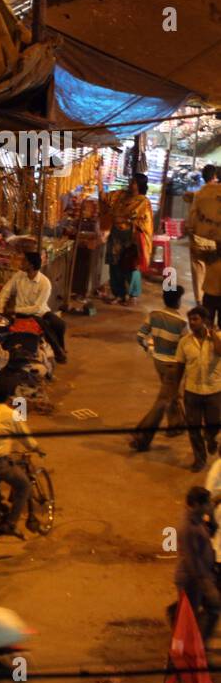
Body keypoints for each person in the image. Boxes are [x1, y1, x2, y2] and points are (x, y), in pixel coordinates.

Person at [0, 379, 42, 539]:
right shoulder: (11, 414)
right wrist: (37, 448)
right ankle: (10, 524)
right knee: (24, 486)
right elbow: (26, 439)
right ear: (8, 396)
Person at [131, 285, 188, 451]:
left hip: (158, 361)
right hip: (173, 365)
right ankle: (142, 435)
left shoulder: (153, 315)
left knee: (171, 393)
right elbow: (184, 349)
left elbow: (140, 337)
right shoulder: (181, 323)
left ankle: (176, 424)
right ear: (178, 301)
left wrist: (149, 350)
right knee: (163, 400)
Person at [0, 251, 67, 363]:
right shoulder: (19, 275)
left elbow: (37, 308)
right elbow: (6, 290)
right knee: (41, 323)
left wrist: (13, 309)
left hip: (39, 311)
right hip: (22, 314)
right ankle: (57, 350)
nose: (21, 262)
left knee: (60, 324)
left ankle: (61, 348)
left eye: (24, 261)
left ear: (31, 265)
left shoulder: (45, 283)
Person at [177, 305, 221, 471]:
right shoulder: (185, 342)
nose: (192, 323)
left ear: (206, 321)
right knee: (193, 428)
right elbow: (179, 366)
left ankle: (211, 438)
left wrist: (212, 333)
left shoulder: (218, 338)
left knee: (214, 424)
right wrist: (175, 389)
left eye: (195, 319)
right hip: (192, 392)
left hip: (214, 391)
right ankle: (199, 459)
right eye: (190, 320)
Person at [173, 486, 220, 642]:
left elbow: (210, 533)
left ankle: (195, 645)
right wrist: (209, 588)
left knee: (203, 612)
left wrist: (211, 518)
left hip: (198, 579)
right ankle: (181, 655)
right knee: (188, 621)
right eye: (206, 504)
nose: (209, 506)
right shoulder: (188, 527)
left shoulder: (197, 519)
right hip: (190, 581)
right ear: (196, 505)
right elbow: (193, 563)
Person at [101, 171, 153, 306]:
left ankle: (133, 295)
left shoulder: (143, 202)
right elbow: (104, 198)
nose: (131, 184)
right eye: (131, 181)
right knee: (115, 265)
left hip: (131, 238)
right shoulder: (120, 195)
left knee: (131, 266)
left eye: (134, 182)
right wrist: (98, 178)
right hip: (116, 235)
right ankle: (118, 294)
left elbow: (145, 222)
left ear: (140, 185)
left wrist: (128, 221)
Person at [185, 164, 218, 305]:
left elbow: (192, 217)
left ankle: (199, 299)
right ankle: (211, 296)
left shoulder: (199, 194)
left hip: (198, 238)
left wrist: (190, 230)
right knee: (213, 268)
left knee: (198, 269)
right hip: (215, 240)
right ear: (215, 177)